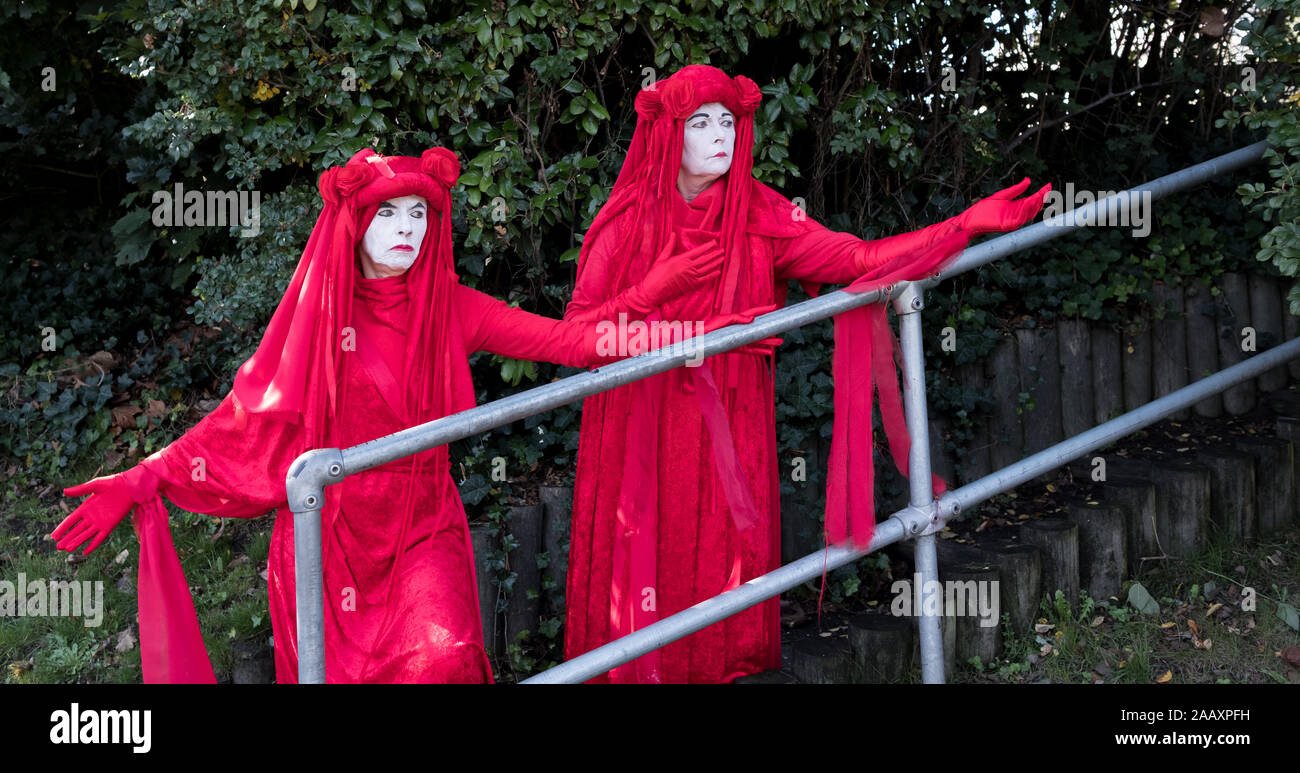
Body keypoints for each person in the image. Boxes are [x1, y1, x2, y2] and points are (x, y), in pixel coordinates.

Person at [52, 147, 748, 683]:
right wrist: (147, 476)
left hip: (422, 527)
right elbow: (246, 419)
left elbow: (571, 342)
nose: (407, 228)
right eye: (389, 213)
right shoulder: (319, 319)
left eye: (420, 214)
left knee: (442, 657)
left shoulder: (452, 304)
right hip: (331, 540)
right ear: (353, 221)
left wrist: (684, 325)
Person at [562, 64, 1050, 683]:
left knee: (721, 566)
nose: (723, 134)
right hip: (639, 425)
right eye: (701, 122)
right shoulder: (625, 224)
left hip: (729, 426)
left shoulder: (762, 214)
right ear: (668, 134)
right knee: (642, 567)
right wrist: (674, 318)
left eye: (731, 122)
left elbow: (855, 259)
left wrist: (962, 227)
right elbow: (580, 337)